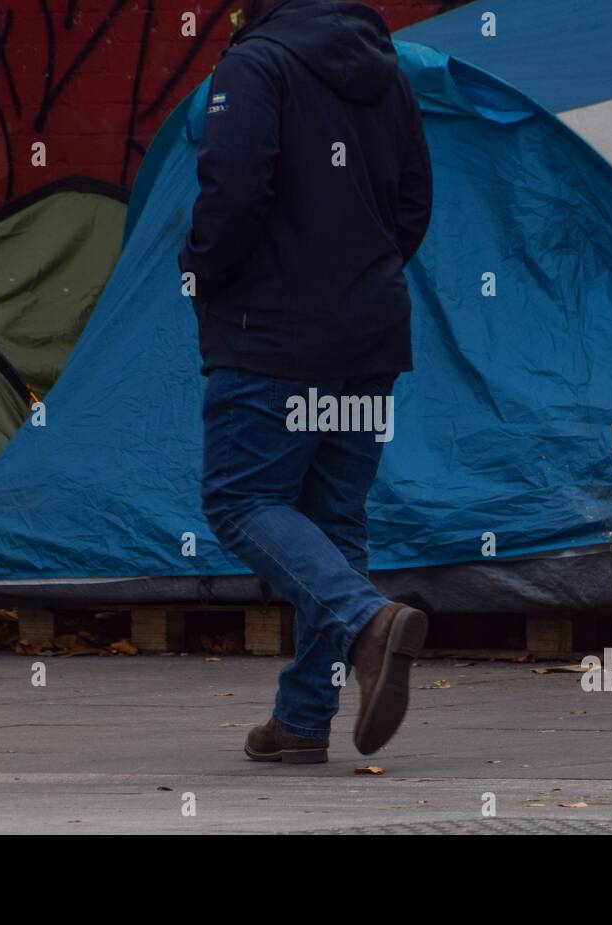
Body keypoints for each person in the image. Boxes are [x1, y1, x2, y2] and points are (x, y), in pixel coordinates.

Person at [178, 0, 433, 763]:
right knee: (335, 522)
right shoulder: (386, 68)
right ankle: (301, 720)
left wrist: (203, 272)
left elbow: (233, 188)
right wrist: (361, 278)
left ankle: (367, 620)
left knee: (240, 498)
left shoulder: (255, 64)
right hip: (369, 333)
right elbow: (415, 199)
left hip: (273, 335)